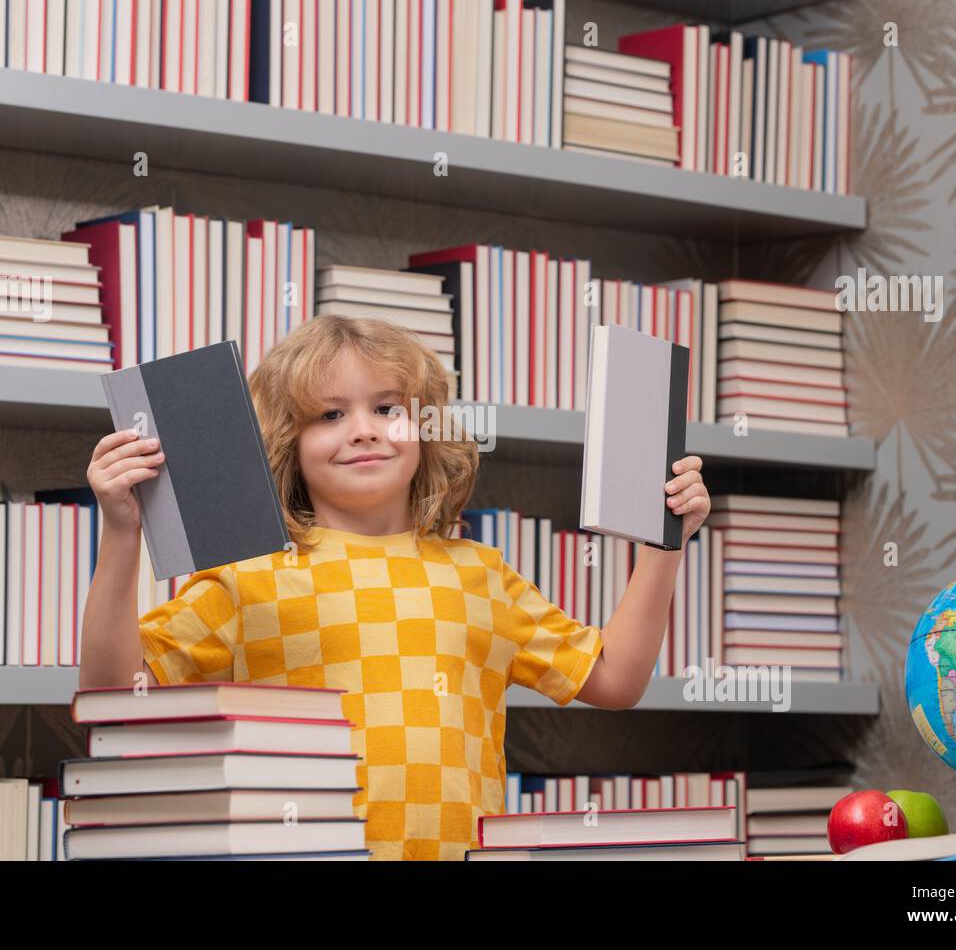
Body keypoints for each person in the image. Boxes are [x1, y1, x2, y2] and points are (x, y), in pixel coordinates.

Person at [78, 313, 710, 860]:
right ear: (286, 444)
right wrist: (121, 534)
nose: (363, 429)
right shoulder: (246, 578)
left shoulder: (481, 575)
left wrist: (665, 545)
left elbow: (617, 679)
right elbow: (115, 700)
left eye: (388, 408)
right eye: (329, 414)